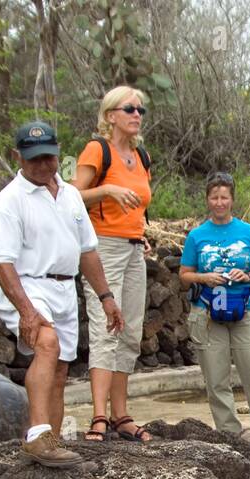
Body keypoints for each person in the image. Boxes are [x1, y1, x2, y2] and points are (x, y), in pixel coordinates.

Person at [0, 121, 123, 468]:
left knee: (61, 368)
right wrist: (26, 310)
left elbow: (88, 251)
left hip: (64, 285)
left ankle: (53, 444)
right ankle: (38, 435)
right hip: (27, 282)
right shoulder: (9, 202)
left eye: (49, 157)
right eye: (34, 159)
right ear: (17, 156)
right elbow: (2, 263)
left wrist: (106, 296)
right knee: (46, 343)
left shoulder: (71, 195)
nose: (43, 165)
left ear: (59, 154)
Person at [72, 86, 154, 442]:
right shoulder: (97, 150)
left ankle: (122, 415)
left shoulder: (143, 156)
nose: (137, 114)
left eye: (141, 110)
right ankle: (99, 417)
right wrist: (105, 191)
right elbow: (71, 196)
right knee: (107, 326)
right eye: (129, 108)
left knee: (130, 331)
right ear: (110, 116)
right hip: (102, 247)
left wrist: (142, 231)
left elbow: (138, 204)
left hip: (135, 248)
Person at [179, 172, 250, 449]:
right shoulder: (197, 235)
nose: (219, 202)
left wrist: (247, 274)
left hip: (244, 308)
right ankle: (229, 435)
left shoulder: (247, 232)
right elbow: (184, 273)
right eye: (214, 197)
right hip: (208, 311)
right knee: (216, 379)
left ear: (232, 200)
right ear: (207, 200)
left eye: (224, 197)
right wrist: (204, 278)